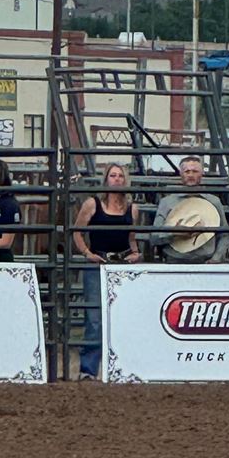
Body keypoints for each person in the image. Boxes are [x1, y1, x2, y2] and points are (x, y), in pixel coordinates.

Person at [73, 160, 140, 379]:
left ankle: (121, 366)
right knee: (94, 316)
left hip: (121, 263)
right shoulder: (92, 204)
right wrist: (86, 253)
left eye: (120, 176)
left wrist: (135, 253)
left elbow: (132, 237)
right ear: (106, 179)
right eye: (113, 176)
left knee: (122, 314)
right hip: (98, 261)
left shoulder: (133, 209)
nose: (117, 180)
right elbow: (77, 231)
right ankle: (88, 369)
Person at [149, 154, 229, 263]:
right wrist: (174, 233)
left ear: (202, 174)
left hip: (205, 261)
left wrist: (216, 258)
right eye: (187, 171)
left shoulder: (213, 201)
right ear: (181, 174)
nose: (191, 175)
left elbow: (224, 233)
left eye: (195, 171)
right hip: (174, 260)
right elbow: (154, 237)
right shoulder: (167, 202)